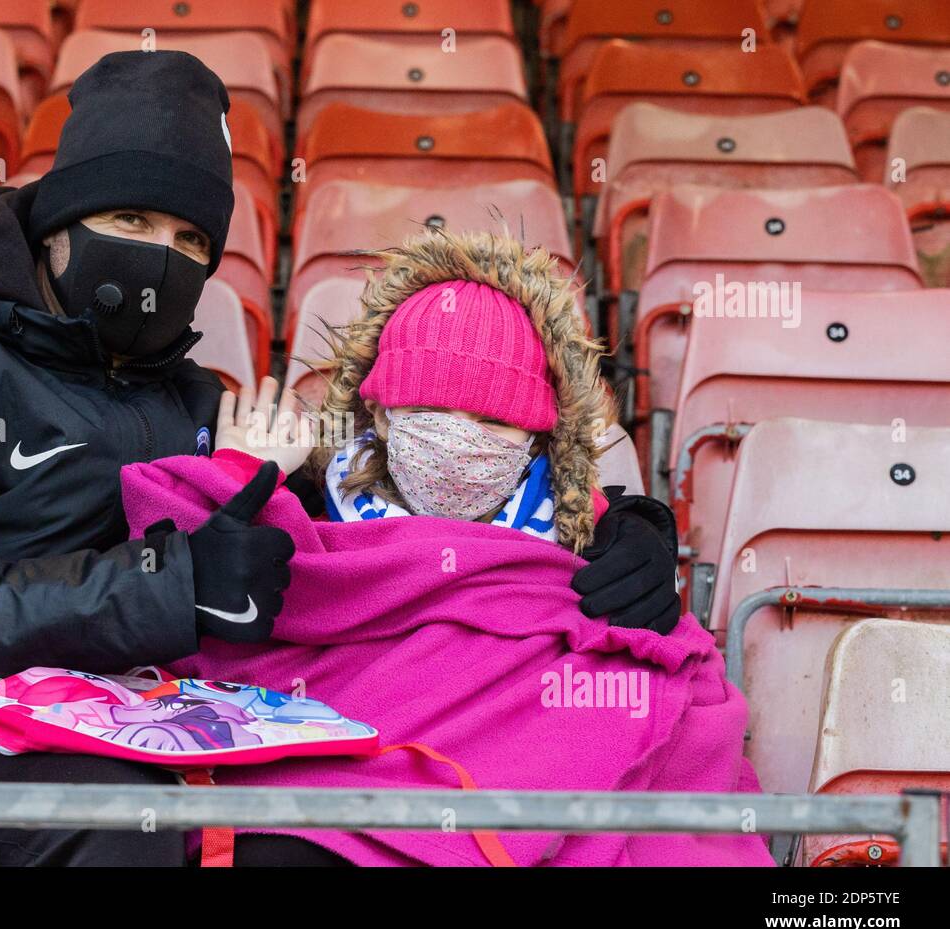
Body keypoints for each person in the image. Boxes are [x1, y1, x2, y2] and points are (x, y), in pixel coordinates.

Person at [0, 49, 680, 867]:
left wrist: (614, 528)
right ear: (56, 221)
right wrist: (169, 587)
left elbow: (370, 525)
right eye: (133, 220)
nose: (162, 257)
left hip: (100, 725)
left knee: (287, 822)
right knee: (127, 825)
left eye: (192, 240)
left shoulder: (189, 401)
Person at [117, 229, 768, 867]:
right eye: (431, 409)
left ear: (540, 439)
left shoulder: (600, 560)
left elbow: (673, 718)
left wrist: (637, 521)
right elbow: (186, 624)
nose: (461, 439)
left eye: (494, 421)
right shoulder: (306, 520)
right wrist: (241, 482)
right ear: (382, 411)